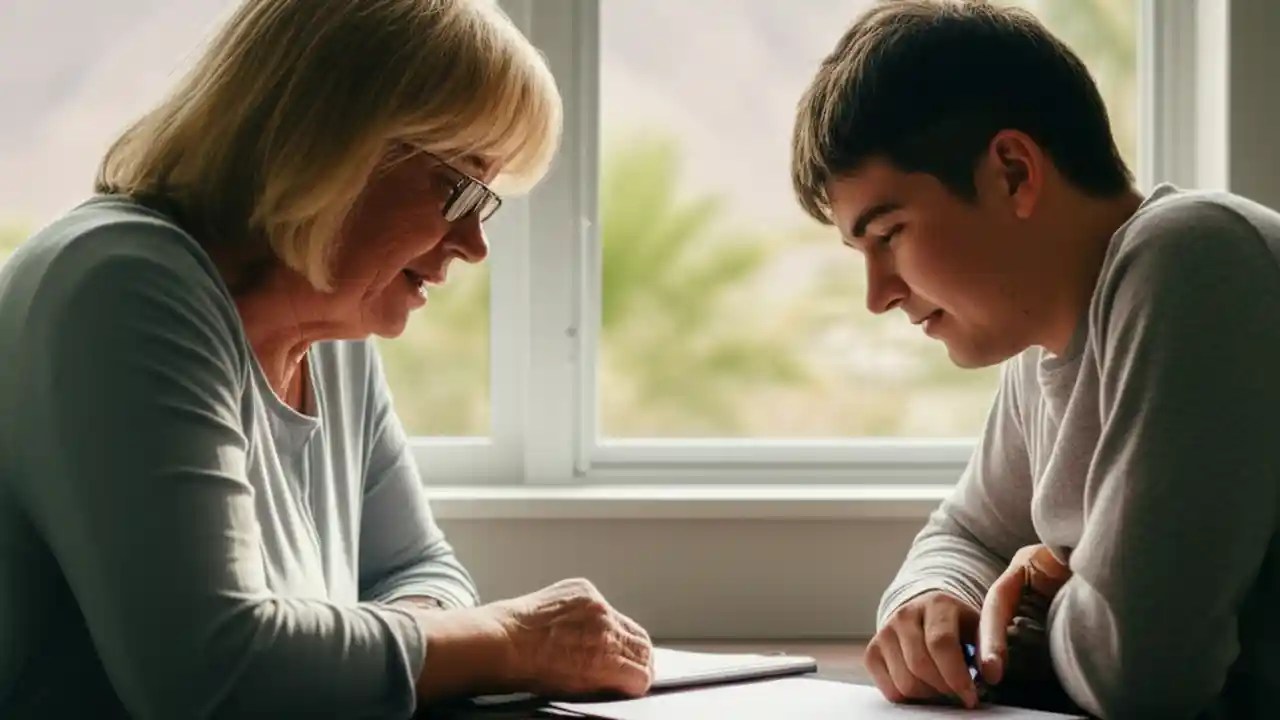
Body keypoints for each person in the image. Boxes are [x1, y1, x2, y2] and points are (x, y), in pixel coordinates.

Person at [0, 1, 654, 717]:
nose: (475, 244)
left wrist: (351, 652)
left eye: (487, 200)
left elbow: (420, 569)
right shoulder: (120, 288)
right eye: (458, 188)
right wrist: (507, 639)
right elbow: (216, 672)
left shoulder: (331, 333)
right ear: (327, 143)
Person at [791, 1, 1280, 717]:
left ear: (1014, 173)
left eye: (889, 234)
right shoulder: (1045, 344)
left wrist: (1023, 617)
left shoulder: (1197, 259)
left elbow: (1141, 672)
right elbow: (968, 534)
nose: (877, 295)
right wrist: (934, 601)